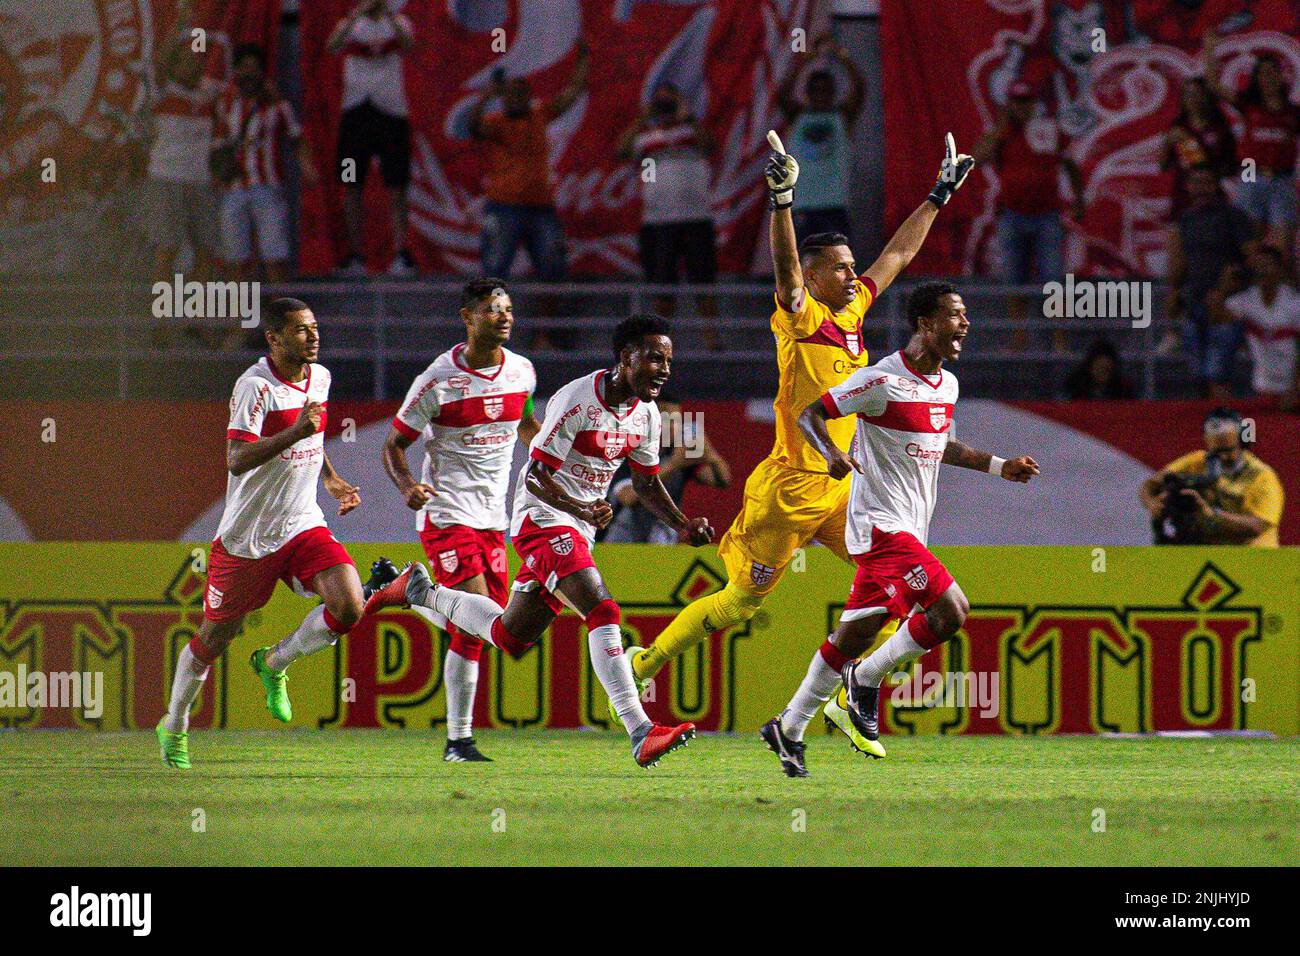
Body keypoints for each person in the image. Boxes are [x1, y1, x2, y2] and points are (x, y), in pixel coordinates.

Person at [628, 129, 976, 742]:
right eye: (838, 268)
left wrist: (937, 197)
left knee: (893, 592)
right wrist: (782, 201)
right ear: (814, 276)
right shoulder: (802, 316)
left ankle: (846, 696)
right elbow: (787, 270)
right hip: (790, 489)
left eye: (849, 266)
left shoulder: (852, 312)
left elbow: (895, 258)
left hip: (844, 492)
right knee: (741, 602)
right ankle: (645, 663)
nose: (851, 275)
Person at [368, 315, 716, 769]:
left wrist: (683, 524)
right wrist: (582, 507)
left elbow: (647, 483)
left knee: (508, 636)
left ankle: (418, 592)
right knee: (602, 610)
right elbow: (535, 476)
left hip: (577, 526)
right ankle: (640, 730)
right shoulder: (577, 400)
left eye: (668, 360)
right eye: (654, 357)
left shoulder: (646, 415)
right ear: (625, 358)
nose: (664, 369)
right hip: (542, 519)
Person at [761, 282, 1040, 776]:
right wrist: (832, 454)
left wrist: (1000, 466)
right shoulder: (880, 380)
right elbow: (811, 413)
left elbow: (940, 444)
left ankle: (789, 725)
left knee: (852, 635)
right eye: (956, 315)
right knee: (951, 610)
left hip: (912, 528)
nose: (966, 324)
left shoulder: (947, 385)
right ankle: (863, 684)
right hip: (880, 528)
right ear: (926, 324)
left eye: (966, 314)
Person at [155, 298, 376, 769]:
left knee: (350, 604)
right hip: (247, 537)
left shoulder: (320, 377)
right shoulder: (254, 387)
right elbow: (236, 458)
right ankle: (174, 723)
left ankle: (275, 662)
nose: (313, 336)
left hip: (301, 523)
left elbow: (313, 435)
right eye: (300, 330)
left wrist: (330, 477)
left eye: (314, 327)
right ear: (273, 338)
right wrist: (294, 435)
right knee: (214, 639)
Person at [379, 279, 541, 762]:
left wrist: (549, 460)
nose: (505, 317)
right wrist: (409, 486)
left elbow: (528, 427)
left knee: (484, 627)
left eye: (509, 308)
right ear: (467, 318)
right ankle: (458, 740)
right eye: (493, 310)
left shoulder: (522, 372)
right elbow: (394, 444)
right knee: (476, 619)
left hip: (495, 516)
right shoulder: (437, 380)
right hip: (447, 511)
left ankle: (406, 591)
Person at [972, 81, 1084, 352]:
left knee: (1054, 280)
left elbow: (1070, 164)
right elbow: (976, 159)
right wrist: (999, 131)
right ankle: (1019, 340)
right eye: (1017, 103)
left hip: (1047, 215)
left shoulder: (1048, 132)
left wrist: (1079, 199)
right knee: (1014, 280)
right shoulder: (1001, 134)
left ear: (1033, 105)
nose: (1022, 108)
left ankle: (1059, 341)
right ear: (1010, 105)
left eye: (1026, 102)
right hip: (1013, 215)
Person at [468, 40, 588, 283]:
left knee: (554, 270)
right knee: (493, 272)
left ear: (528, 96)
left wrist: (583, 59)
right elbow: (473, 128)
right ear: (503, 98)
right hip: (503, 206)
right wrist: (485, 97)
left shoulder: (539, 114)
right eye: (509, 94)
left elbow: (572, 93)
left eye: (520, 94)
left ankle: (551, 322)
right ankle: (489, 322)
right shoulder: (496, 122)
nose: (514, 99)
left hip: (540, 206)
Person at [616, 82, 719, 345]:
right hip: (657, 220)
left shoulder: (691, 132)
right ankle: (661, 341)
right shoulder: (644, 138)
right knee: (662, 285)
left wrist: (688, 116)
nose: (665, 107)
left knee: (703, 281)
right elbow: (620, 151)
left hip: (696, 216)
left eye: (669, 101)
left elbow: (711, 146)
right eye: (660, 102)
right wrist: (644, 116)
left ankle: (711, 337)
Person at [215, 44, 318, 283]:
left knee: (275, 256)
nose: (249, 73)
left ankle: (279, 316)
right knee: (236, 260)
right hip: (233, 189)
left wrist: (307, 166)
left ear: (262, 73)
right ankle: (239, 319)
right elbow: (218, 143)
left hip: (267, 188)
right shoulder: (226, 104)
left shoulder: (279, 105)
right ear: (236, 72)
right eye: (244, 68)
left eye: (254, 68)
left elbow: (297, 137)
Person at [328, 0, 416, 278]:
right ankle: (355, 256)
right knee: (351, 183)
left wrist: (388, 16)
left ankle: (401, 254)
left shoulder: (398, 21)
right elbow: (331, 47)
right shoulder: (350, 23)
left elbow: (409, 45)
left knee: (397, 185)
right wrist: (355, 15)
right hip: (356, 113)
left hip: (391, 112)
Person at [1165, 164, 1255, 397]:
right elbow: (1182, 264)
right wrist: (1174, 292)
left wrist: (1225, 292)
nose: (1201, 188)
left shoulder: (1233, 216)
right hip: (1194, 306)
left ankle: (1224, 432)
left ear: (1216, 186)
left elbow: (1253, 260)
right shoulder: (1186, 219)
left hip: (1225, 308)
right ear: (1188, 186)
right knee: (1198, 378)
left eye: (1206, 182)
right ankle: (1201, 433)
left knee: (1218, 376)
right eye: (1196, 182)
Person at [1204, 36, 1300, 252]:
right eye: (1263, 73)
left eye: (1272, 72)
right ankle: (1249, 285)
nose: (1268, 77)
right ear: (1256, 78)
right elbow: (1214, 85)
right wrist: (1210, 50)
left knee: (1284, 247)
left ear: (1281, 76)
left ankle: (1283, 285)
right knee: (1248, 245)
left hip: (1282, 179)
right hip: (1250, 175)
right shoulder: (1249, 105)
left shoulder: (1293, 112)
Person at [1140, 407, 1284, 547]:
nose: (1222, 456)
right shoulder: (1196, 461)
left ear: (1243, 441)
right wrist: (1153, 503)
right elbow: (1151, 484)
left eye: (1228, 450)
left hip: (1253, 558)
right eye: (1216, 451)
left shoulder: (1262, 476)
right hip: (1207, 553)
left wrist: (1212, 515)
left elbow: (1256, 527)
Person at [602, 393, 731, 544]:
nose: (674, 427)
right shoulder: (627, 452)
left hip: (661, 536)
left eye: (678, 421)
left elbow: (722, 481)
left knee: (666, 529)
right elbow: (630, 498)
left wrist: (710, 454)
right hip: (622, 538)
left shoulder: (677, 454)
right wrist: (673, 464)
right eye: (668, 420)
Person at [145, 21, 220, 282]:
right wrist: (179, 27)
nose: (194, 66)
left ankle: (196, 315)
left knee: (205, 249)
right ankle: (162, 317)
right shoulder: (162, 90)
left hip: (200, 179)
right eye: (187, 61)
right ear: (176, 66)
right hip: (167, 176)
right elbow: (158, 64)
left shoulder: (210, 90)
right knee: (167, 248)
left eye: (198, 61)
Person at [776, 35, 865, 241]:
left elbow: (859, 88)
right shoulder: (798, 115)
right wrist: (806, 61)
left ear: (833, 92)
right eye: (815, 90)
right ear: (807, 93)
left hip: (835, 205)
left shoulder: (841, 116)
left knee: (839, 263)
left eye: (825, 90)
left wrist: (842, 57)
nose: (821, 94)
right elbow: (782, 93)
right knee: (803, 265)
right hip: (804, 207)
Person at [1210, 244, 1300, 408]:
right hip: (1260, 385)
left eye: (1267, 265)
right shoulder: (1248, 299)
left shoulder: (1294, 302)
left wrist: (1295, 388)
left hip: (1291, 387)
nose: (1262, 271)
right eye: (1258, 266)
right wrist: (1224, 286)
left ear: (1279, 270)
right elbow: (1216, 318)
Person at [1161, 76, 1237, 218]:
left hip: (1212, 199)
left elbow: (1230, 167)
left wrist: (1190, 144)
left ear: (1207, 97)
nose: (1193, 99)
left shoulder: (1220, 128)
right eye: (1188, 95)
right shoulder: (1178, 127)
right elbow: (1163, 165)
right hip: (1183, 198)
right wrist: (1168, 142)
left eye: (1197, 94)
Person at [1063, 338, 1134, 399]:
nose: (1102, 374)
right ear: (1090, 367)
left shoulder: (1123, 390)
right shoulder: (1075, 387)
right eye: (1099, 369)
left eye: (1106, 370)